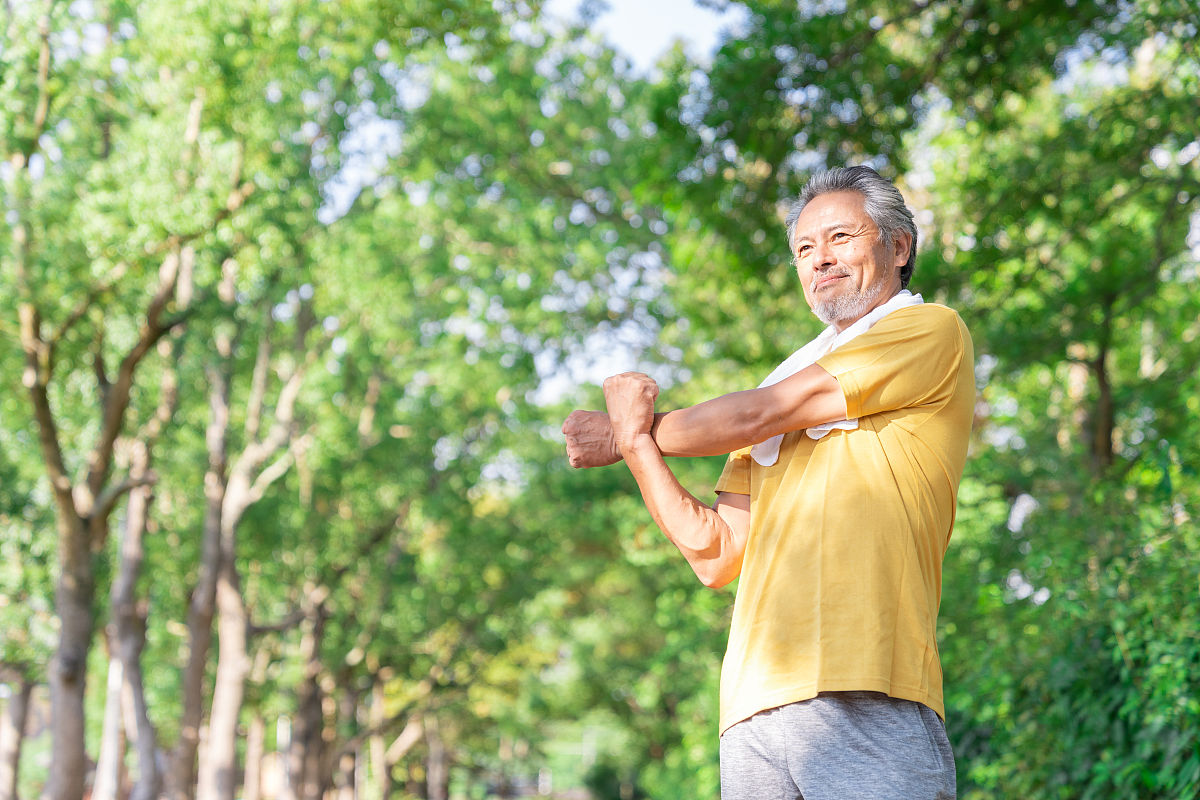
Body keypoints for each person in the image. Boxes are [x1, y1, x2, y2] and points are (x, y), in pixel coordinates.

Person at [561, 165, 974, 800]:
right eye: (805, 249)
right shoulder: (786, 378)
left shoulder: (927, 330)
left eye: (840, 237)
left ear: (898, 247)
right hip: (753, 708)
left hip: (865, 683)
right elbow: (717, 555)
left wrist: (623, 433)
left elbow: (761, 414)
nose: (820, 259)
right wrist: (637, 445)